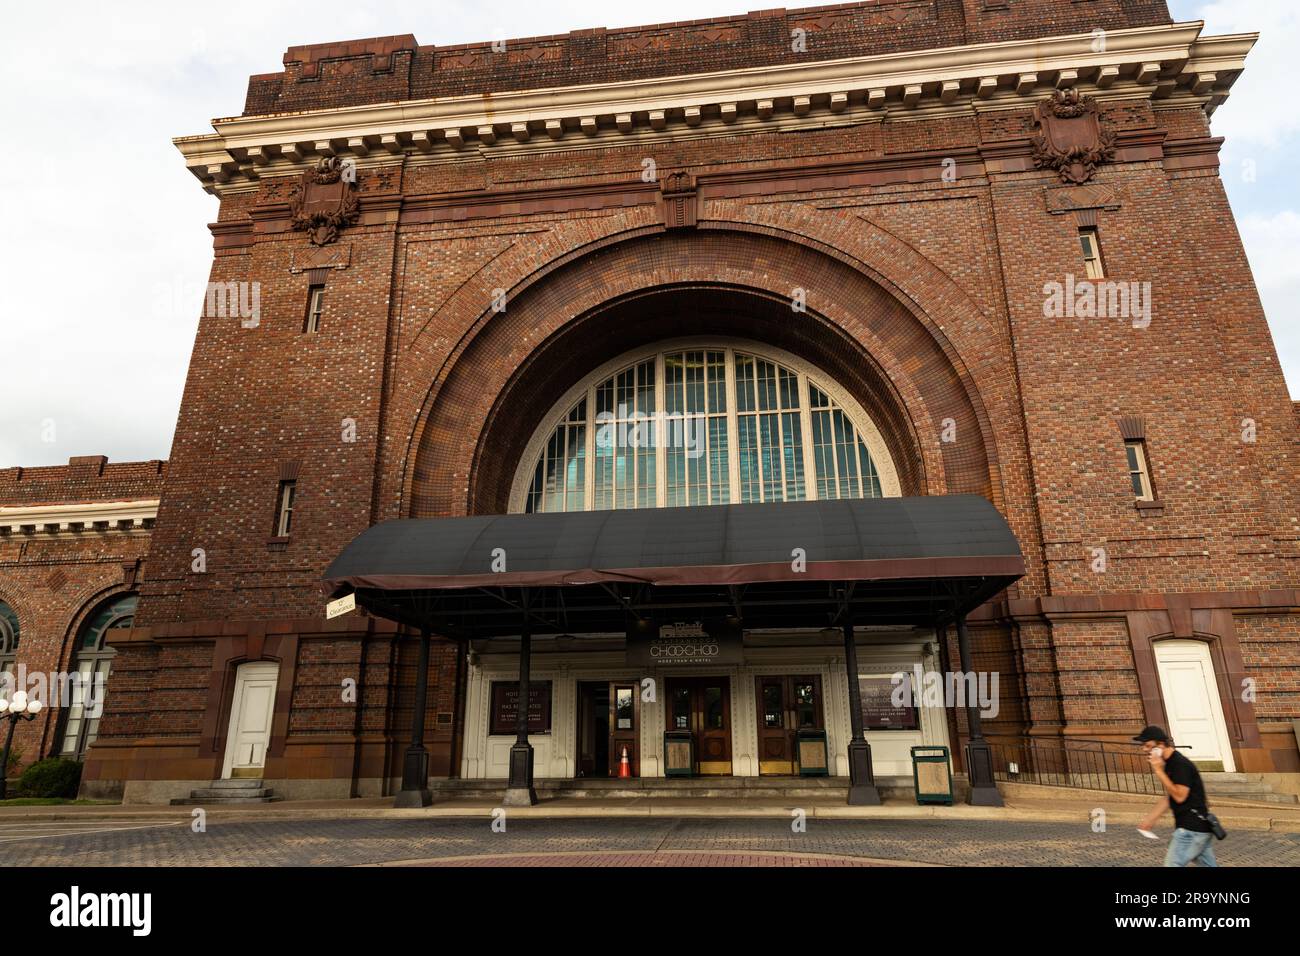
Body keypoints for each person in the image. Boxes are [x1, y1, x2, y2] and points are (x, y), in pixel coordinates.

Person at [1134, 725, 1217, 867]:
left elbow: (1179, 796)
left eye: (1148, 745)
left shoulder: (1179, 764)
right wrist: (1149, 820)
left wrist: (1159, 771)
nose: (1144, 749)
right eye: (1143, 745)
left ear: (1160, 745)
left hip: (1191, 829)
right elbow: (1170, 797)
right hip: (1199, 828)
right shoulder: (1171, 763)